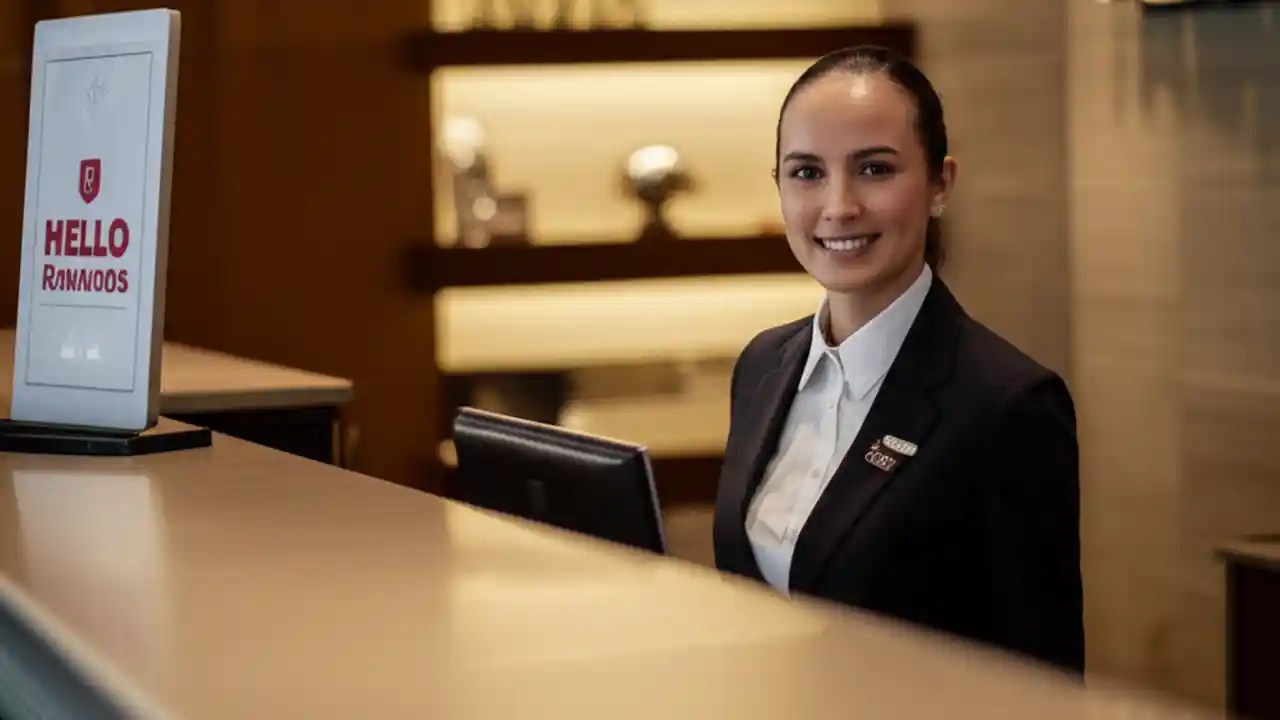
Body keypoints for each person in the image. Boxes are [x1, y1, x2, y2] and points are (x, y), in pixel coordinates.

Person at [712, 45, 1084, 674]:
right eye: (806, 172)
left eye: (875, 170)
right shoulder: (762, 365)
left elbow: (1042, 681)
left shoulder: (1007, 404)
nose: (839, 206)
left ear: (941, 184)